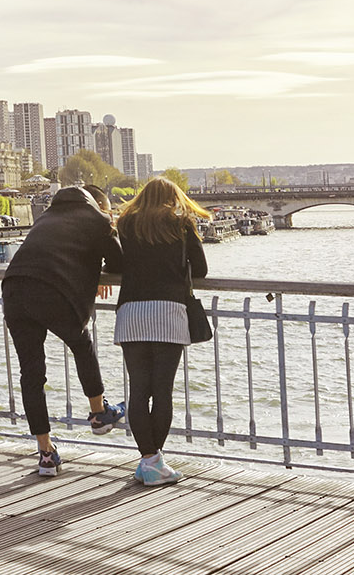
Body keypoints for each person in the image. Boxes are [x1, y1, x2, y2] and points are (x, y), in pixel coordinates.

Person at [3, 184, 125, 476]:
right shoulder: (98, 219)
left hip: (14, 289)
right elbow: (120, 261)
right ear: (98, 204)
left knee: (31, 374)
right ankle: (99, 414)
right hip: (51, 291)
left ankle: (46, 453)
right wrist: (99, 270)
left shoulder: (46, 217)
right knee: (81, 345)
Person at [111, 177, 210, 486]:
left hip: (132, 312)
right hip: (168, 311)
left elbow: (116, 263)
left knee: (139, 390)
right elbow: (202, 269)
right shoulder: (182, 223)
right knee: (162, 391)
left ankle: (149, 460)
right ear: (174, 197)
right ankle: (154, 463)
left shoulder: (126, 223)